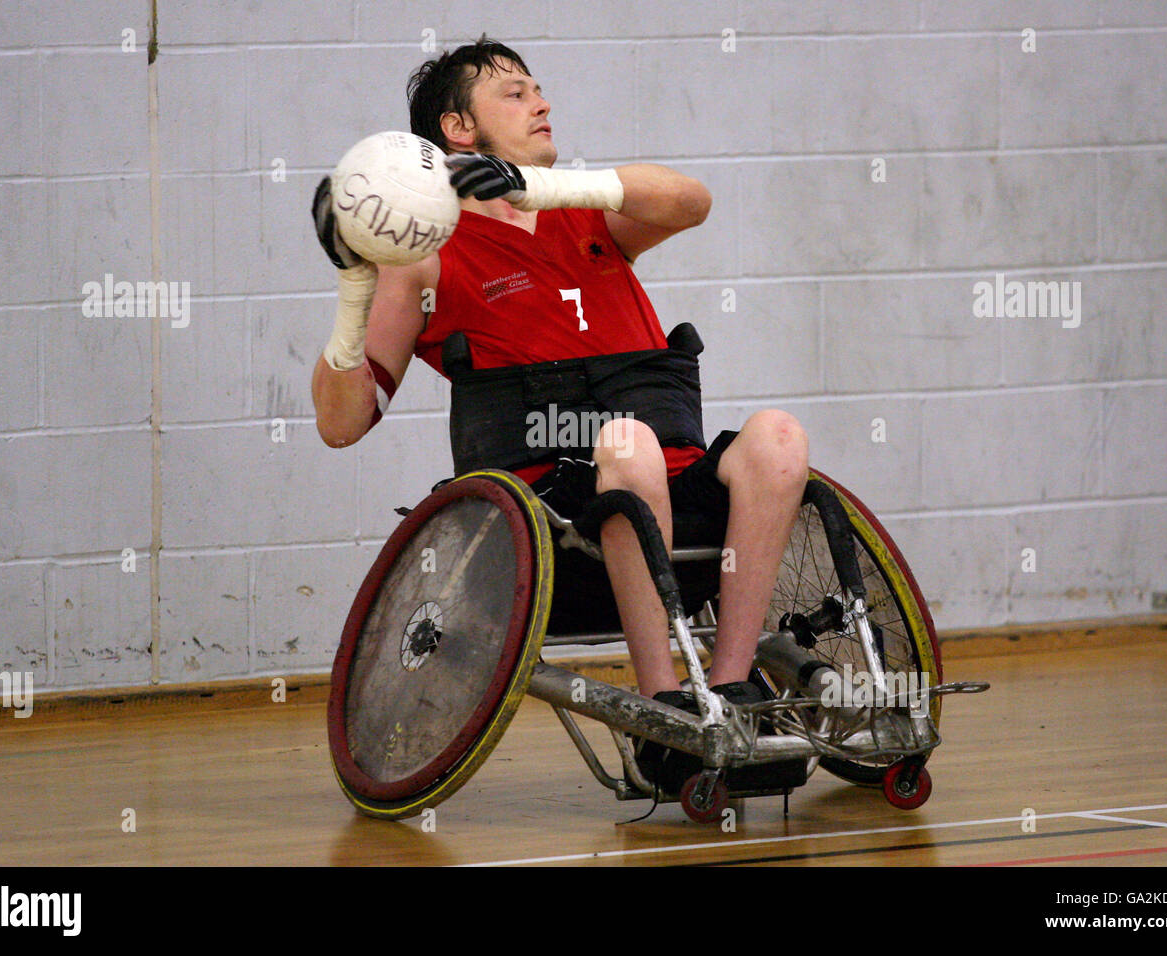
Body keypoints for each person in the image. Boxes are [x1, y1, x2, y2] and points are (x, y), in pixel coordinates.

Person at [311, 36, 809, 786]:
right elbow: (340, 423)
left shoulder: (591, 218)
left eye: (538, 89)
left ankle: (733, 684)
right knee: (628, 443)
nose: (541, 103)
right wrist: (355, 289)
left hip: (672, 482)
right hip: (555, 512)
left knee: (778, 436)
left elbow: (693, 201)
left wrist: (540, 189)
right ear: (458, 129)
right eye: (514, 93)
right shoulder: (427, 257)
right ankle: (663, 703)